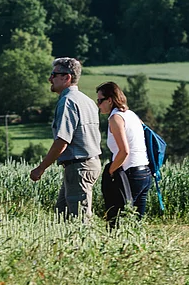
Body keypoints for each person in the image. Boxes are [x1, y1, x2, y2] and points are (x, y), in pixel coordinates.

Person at [29, 57, 101, 223]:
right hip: (87, 164)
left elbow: (62, 141)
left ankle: (84, 249)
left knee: (78, 221)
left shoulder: (67, 102)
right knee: (62, 216)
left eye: (54, 75)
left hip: (79, 167)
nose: (50, 79)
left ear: (66, 77)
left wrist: (41, 168)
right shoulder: (87, 100)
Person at [95, 81, 151, 228]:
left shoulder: (115, 119)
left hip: (129, 173)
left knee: (117, 221)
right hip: (144, 171)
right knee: (137, 224)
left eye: (100, 100)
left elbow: (124, 151)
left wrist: (111, 170)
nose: (98, 104)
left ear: (109, 100)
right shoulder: (132, 115)